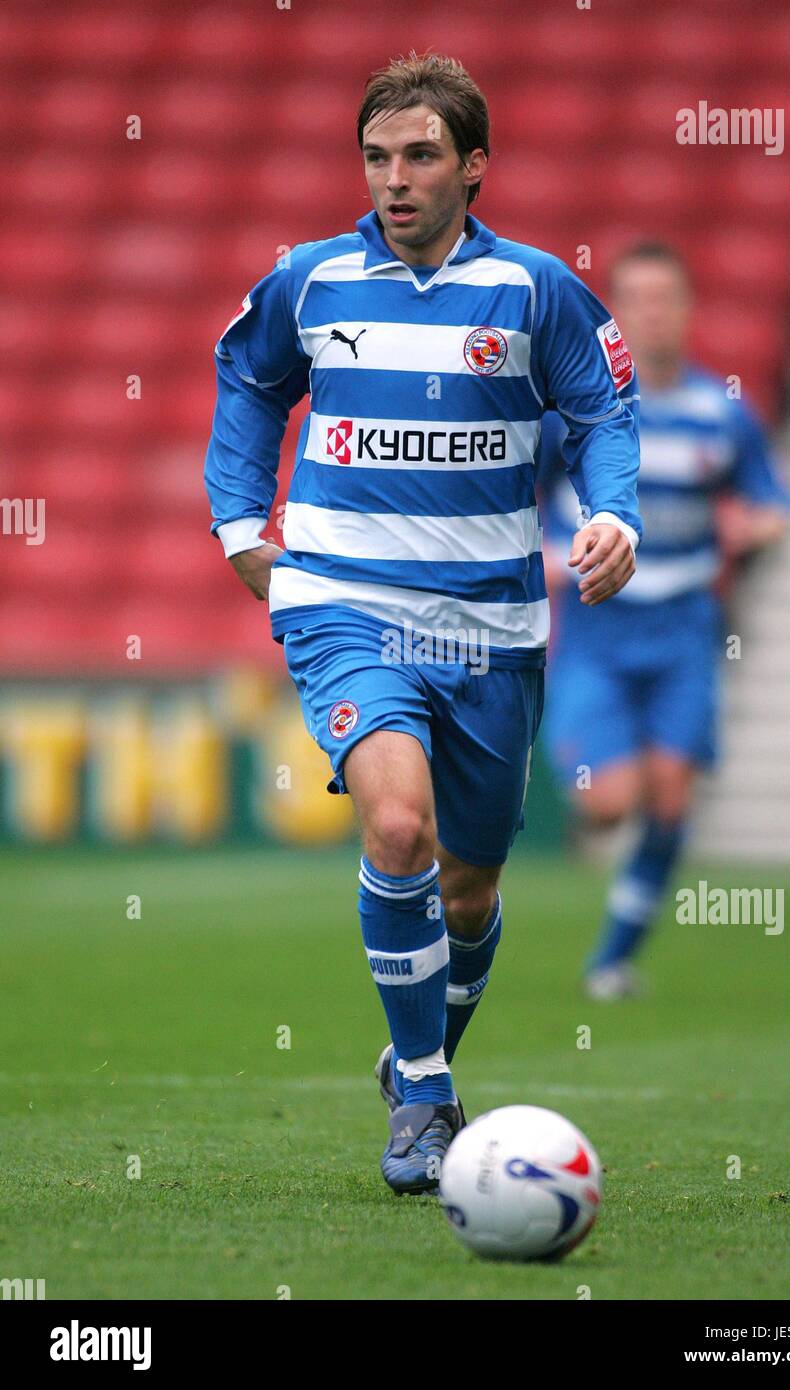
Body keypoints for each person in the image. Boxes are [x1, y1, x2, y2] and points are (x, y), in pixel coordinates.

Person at [204, 53, 641, 1193]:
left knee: (469, 891)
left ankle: (416, 1063)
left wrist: (614, 514)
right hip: (346, 605)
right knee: (397, 828)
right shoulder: (310, 281)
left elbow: (601, 408)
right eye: (376, 157)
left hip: (491, 627)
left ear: (474, 166)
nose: (394, 179)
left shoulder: (536, 292)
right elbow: (247, 381)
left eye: (420, 155)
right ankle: (428, 1094)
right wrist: (244, 529)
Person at [537, 241, 790, 1001]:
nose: (652, 313)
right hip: (595, 625)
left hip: (683, 624)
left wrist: (757, 527)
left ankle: (611, 960)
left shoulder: (720, 411)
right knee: (607, 800)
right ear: (613, 318)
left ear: (685, 310)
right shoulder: (573, 414)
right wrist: (550, 556)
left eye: (665, 297)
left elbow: (772, 500)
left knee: (673, 795)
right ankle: (618, 815)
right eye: (637, 299)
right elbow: (519, 503)